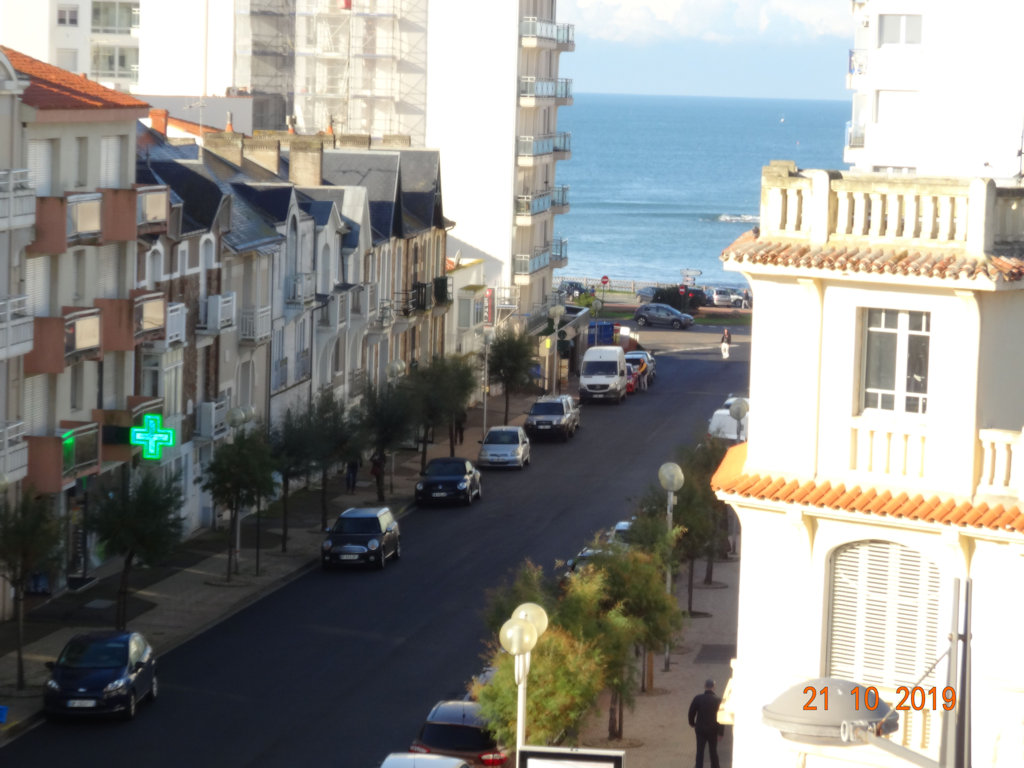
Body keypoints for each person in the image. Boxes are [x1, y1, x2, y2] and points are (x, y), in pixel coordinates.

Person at [688, 678, 724, 768]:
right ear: (714, 687)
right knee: (713, 751)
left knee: (700, 751)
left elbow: (691, 712)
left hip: (700, 728)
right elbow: (722, 717)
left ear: (704, 686)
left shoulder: (698, 698)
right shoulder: (718, 700)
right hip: (713, 729)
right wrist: (720, 732)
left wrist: (692, 723)